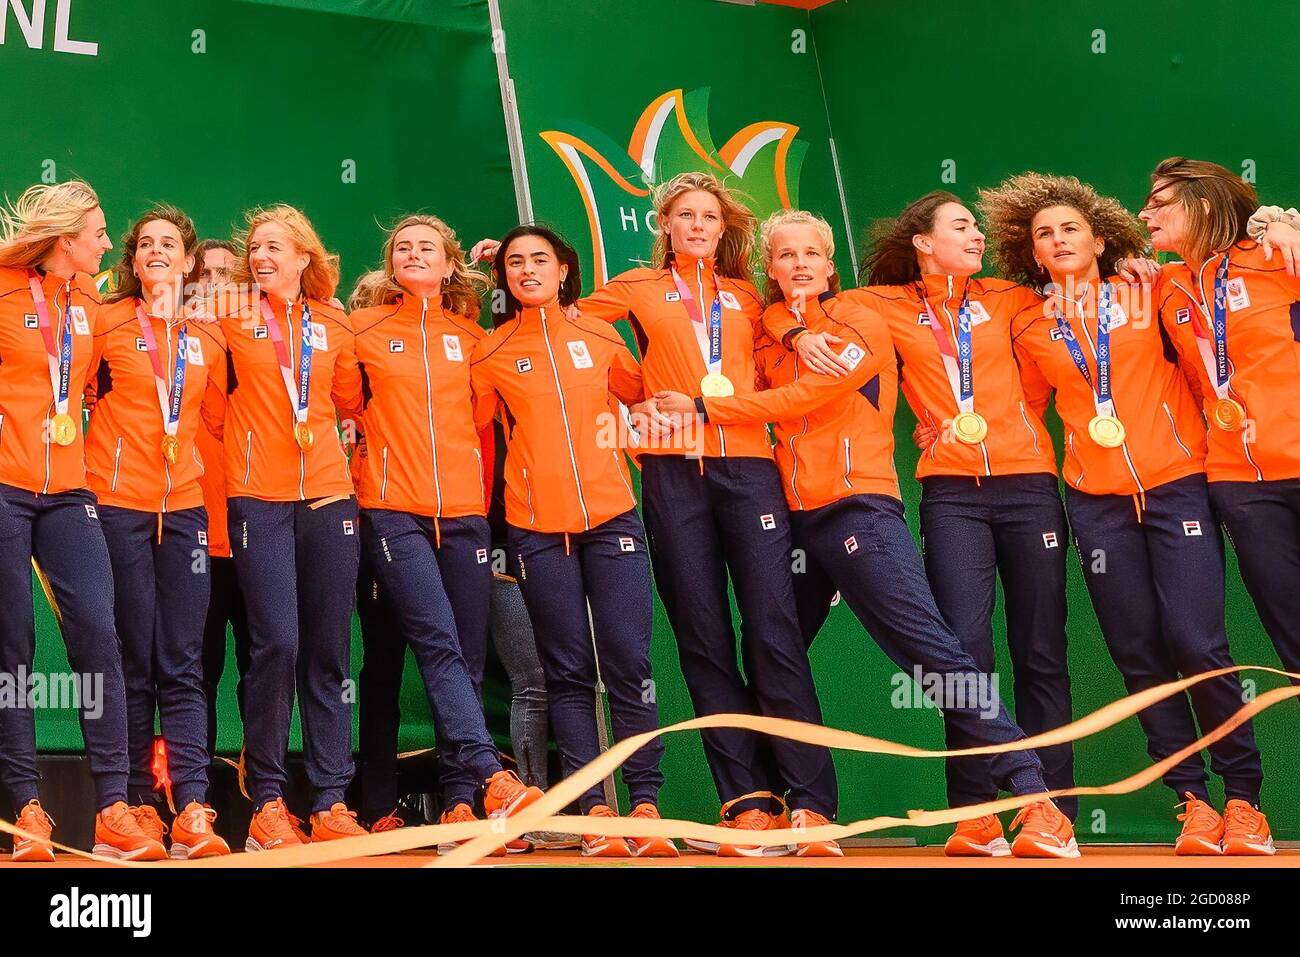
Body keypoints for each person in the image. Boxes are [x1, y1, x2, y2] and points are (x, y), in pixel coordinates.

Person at [655, 209, 1076, 858]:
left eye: (811, 254)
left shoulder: (860, 318)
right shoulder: (771, 333)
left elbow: (808, 399)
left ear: (830, 267)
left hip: (859, 509)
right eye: (785, 254)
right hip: (794, 520)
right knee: (772, 652)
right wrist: (787, 328)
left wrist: (708, 406)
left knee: (937, 659)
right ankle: (788, 811)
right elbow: (772, 324)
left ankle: (1035, 800)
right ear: (771, 267)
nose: (798, 264)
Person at [983, 172, 1274, 855]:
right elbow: (1021, 404)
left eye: (1069, 229)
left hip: (1178, 487)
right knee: (1138, 654)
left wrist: (1277, 224)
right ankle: (1193, 801)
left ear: (1101, 237)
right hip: (1095, 501)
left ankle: (1244, 801)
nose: (1056, 240)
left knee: (1198, 644)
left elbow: (1218, 273)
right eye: (1043, 234)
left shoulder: (1153, 286)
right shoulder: (1029, 322)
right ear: (1031, 252)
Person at [783, 191, 1075, 853]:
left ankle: (1050, 812)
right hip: (950, 494)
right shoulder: (879, 303)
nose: (976, 235)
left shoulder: (1010, 297)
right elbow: (797, 301)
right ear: (922, 240)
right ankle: (976, 815)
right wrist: (794, 332)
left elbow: (1082, 279)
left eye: (976, 227)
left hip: (1030, 487)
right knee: (963, 648)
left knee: (1041, 654)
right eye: (961, 226)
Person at [566, 171, 839, 855]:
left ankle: (810, 804)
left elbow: (785, 320)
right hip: (669, 467)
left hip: (749, 467)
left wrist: (795, 334)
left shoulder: (747, 295)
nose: (696, 226)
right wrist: (636, 395)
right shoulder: (634, 288)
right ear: (664, 224)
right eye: (683, 215)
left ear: (724, 230)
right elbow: (566, 328)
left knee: (773, 629)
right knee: (703, 634)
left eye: (708, 217)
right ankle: (745, 801)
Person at [470, 225, 676, 857]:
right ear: (503, 278)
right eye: (514, 263)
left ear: (564, 271)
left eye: (540, 260)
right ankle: (594, 813)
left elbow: (647, 401)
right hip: (536, 529)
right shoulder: (490, 350)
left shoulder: (600, 334)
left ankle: (644, 805)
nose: (527, 270)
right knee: (565, 672)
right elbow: (473, 437)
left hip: (614, 519)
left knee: (629, 665)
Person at [346, 214, 544, 852]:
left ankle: (462, 800)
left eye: (427, 246)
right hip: (390, 509)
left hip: (463, 514)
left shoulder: (473, 339)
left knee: (463, 651)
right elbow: (341, 398)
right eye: (402, 247)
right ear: (391, 263)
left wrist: (497, 274)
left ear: (449, 261)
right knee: (433, 638)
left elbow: (484, 417)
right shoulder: (364, 330)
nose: (413, 254)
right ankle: (491, 771)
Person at [0, 180, 165, 861]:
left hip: (70, 492)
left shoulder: (89, 300)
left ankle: (112, 809)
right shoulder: (4, 289)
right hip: (4, 485)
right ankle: (25, 809)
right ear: (66, 240)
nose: (106, 243)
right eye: (97, 233)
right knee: (12, 648)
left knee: (100, 635)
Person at [206, 204, 373, 849]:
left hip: (330, 498)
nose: (262, 257)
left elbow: (352, 400)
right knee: (276, 645)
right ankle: (268, 801)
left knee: (329, 653)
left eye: (275, 247)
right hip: (259, 499)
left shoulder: (334, 321)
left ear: (306, 257)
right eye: (256, 248)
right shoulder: (228, 315)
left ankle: (332, 800)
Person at [86, 206, 232, 858]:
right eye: (145, 243)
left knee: (182, 663)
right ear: (132, 257)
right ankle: (133, 807)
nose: (155, 250)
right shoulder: (105, 320)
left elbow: (224, 417)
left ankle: (193, 807)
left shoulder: (208, 335)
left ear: (189, 258)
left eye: (167, 242)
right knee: (131, 660)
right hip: (118, 507)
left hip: (187, 511)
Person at [1143, 159, 1300, 710]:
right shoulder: (1163, 289)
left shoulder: (1279, 254)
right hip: (1241, 485)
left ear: (1203, 204)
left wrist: (1282, 222)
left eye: (1159, 202)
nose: (1145, 213)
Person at [192, 238, 253, 757]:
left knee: (265, 671)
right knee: (197, 674)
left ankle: (268, 800)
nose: (214, 284)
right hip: (197, 540)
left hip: (261, 536)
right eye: (205, 274)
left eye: (226, 275)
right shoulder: (178, 346)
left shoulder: (271, 349)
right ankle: (196, 801)